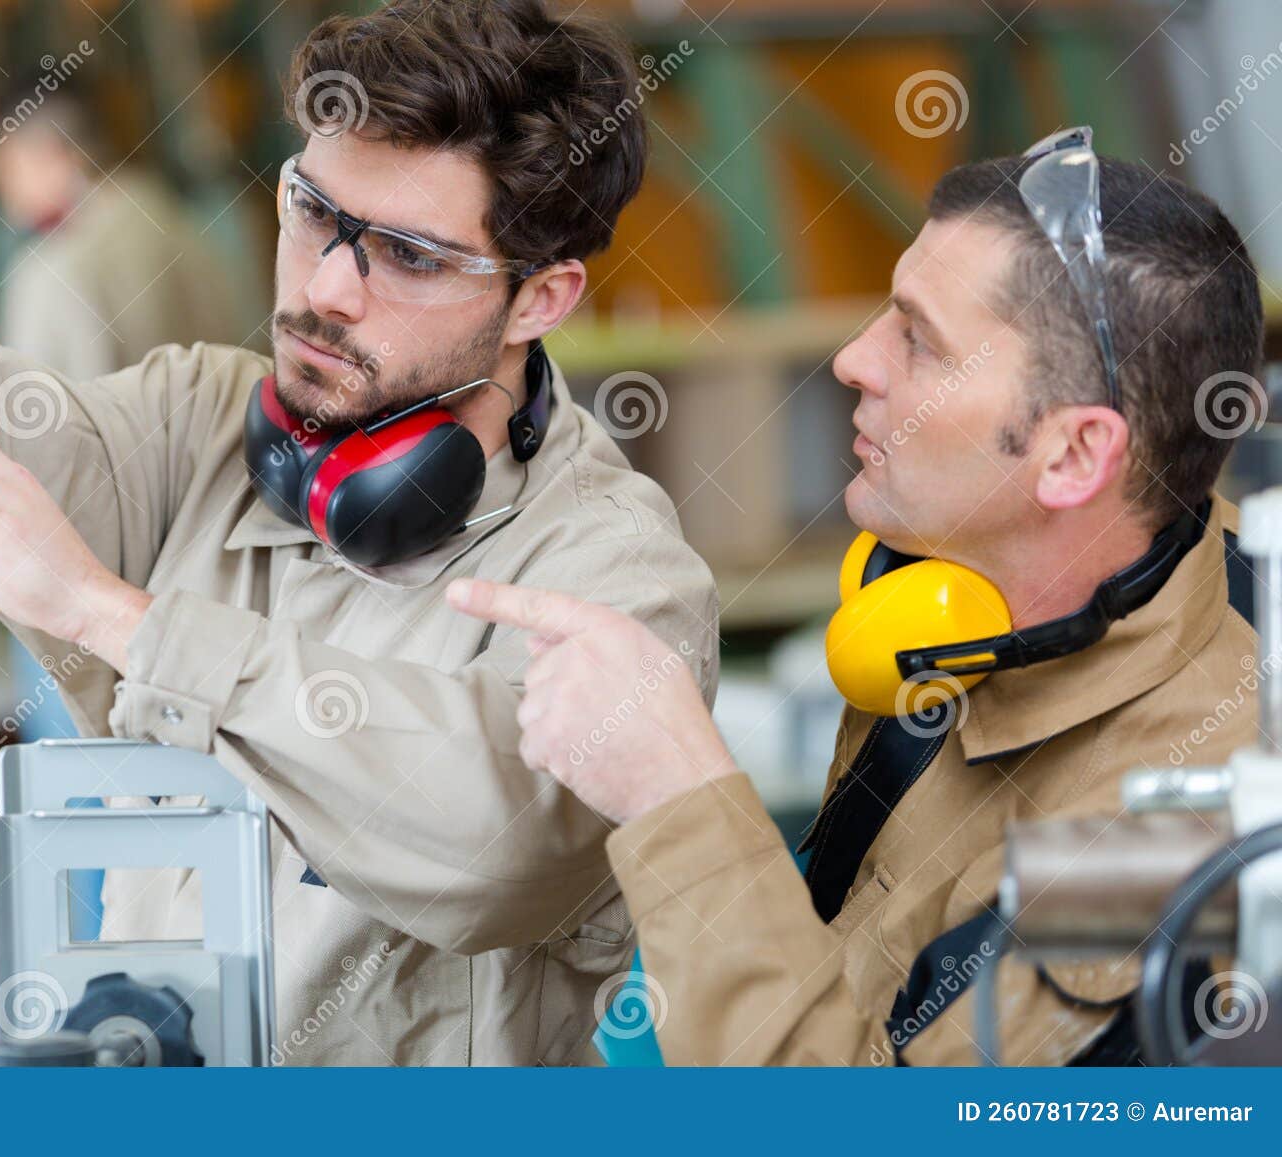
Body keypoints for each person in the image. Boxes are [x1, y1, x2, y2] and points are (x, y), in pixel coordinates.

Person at [0, 0, 717, 1065]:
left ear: (540, 297)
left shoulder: (615, 569)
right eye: (314, 212)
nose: (326, 289)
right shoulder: (195, 425)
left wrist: (121, 621)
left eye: (411, 258)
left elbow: (497, 844)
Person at [449, 136, 1263, 1065]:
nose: (854, 360)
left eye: (920, 339)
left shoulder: (1158, 851)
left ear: (1075, 456)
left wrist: (675, 794)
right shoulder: (972, 587)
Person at [0, 87, 254, 378]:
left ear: (51, 155)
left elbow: (31, 401)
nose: (8, 204)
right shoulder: (167, 212)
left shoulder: (46, 270)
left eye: (7, 173)